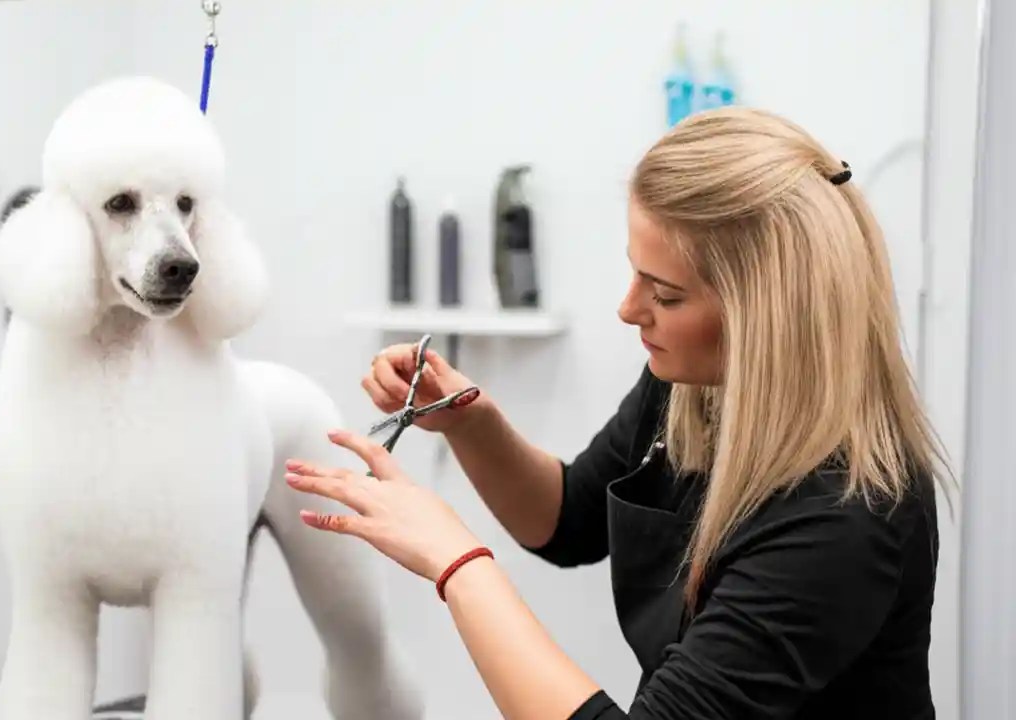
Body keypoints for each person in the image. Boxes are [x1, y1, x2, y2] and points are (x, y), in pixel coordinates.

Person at [283, 106, 948, 719]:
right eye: (635, 275)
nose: (628, 309)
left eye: (663, 293)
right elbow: (570, 519)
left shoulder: (847, 516)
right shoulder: (696, 388)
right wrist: (469, 421)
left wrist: (454, 561)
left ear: (762, 315)